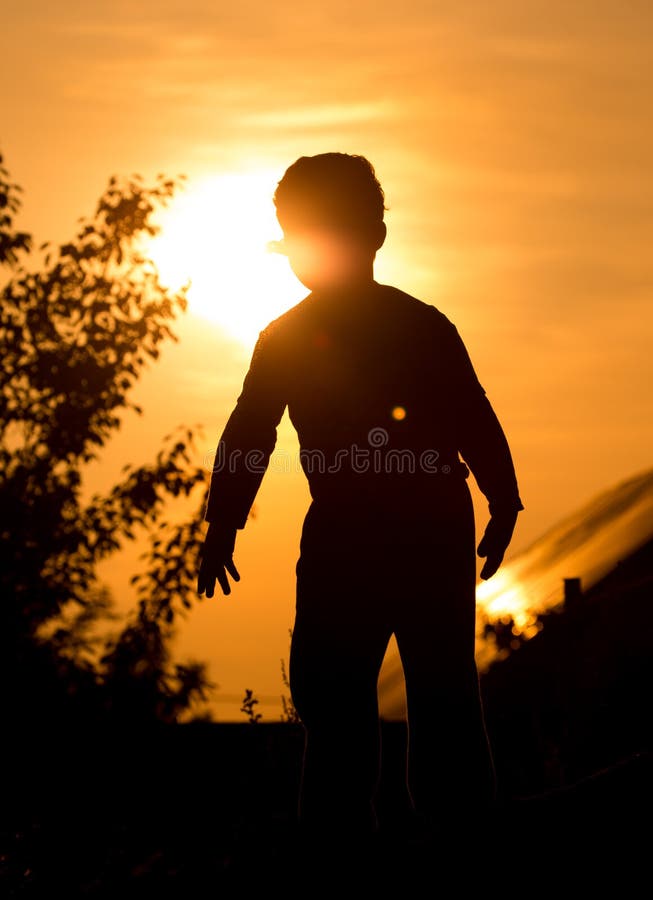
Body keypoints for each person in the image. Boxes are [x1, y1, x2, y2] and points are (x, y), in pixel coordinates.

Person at [197, 152, 523, 847]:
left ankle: (437, 830)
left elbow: (470, 415)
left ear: (373, 235)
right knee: (346, 692)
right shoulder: (339, 333)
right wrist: (222, 520)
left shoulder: (403, 328)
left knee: (427, 690)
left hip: (400, 529)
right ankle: (367, 835)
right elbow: (250, 430)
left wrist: (504, 498)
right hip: (377, 531)